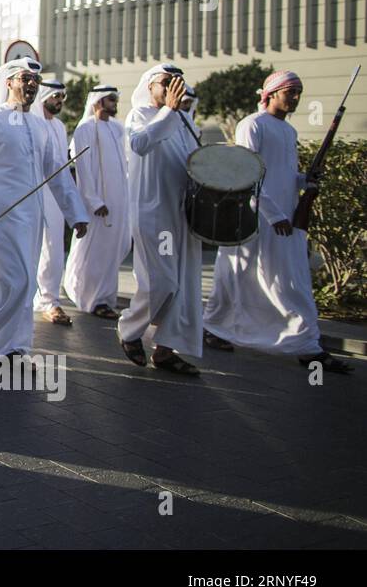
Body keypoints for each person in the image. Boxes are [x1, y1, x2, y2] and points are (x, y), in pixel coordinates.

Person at [202, 71, 351, 374]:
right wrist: (273, 214)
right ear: (270, 94)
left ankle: (307, 345)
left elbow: (281, 174)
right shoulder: (251, 125)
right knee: (236, 274)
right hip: (257, 218)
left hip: (286, 217)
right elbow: (249, 173)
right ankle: (214, 328)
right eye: (290, 92)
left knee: (292, 281)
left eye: (299, 92)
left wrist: (303, 180)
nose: (296, 98)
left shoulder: (288, 131)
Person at [0, 59, 88, 361]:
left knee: (22, 285)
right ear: (9, 82)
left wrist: (76, 213)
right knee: (19, 282)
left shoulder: (41, 125)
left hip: (32, 216)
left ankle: (14, 348)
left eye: (35, 80)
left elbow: (58, 173)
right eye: (25, 78)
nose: (31, 84)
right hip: (0, 216)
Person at [116, 64, 204, 375]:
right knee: (162, 282)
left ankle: (165, 351)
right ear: (150, 86)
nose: (171, 87)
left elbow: (196, 164)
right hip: (153, 215)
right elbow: (140, 144)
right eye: (165, 82)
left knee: (182, 287)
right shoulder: (139, 115)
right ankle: (129, 329)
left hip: (183, 216)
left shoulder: (183, 122)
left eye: (175, 82)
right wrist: (169, 111)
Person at [62, 85, 130, 320]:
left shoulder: (117, 128)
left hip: (118, 201)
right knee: (94, 252)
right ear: (98, 101)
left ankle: (106, 298)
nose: (115, 103)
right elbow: (83, 169)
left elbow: (123, 165)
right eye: (111, 99)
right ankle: (89, 297)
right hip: (97, 203)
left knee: (112, 251)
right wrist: (93, 200)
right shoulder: (85, 129)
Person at [31, 79, 73, 325]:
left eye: (61, 98)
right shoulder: (33, 123)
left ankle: (50, 300)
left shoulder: (59, 126)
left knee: (53, 248)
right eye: (55, 97)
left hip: (55, 195)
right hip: (33, 193)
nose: (59, 102)